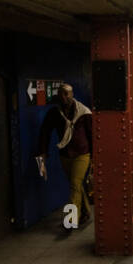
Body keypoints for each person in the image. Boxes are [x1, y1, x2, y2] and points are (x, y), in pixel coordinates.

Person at [34, 82, 94, 230]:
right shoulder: (54, 113)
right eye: (61, 93)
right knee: (77, 185)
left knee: (74, 184)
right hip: (65, 154)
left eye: (66, 93)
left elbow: (92, 135)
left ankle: (71, 221)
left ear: (72, 94)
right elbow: (45, 132)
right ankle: (86, 213)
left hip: (82, 154)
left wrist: (95, 157)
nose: (63, 96)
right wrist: (43, 152)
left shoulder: (84, 113)